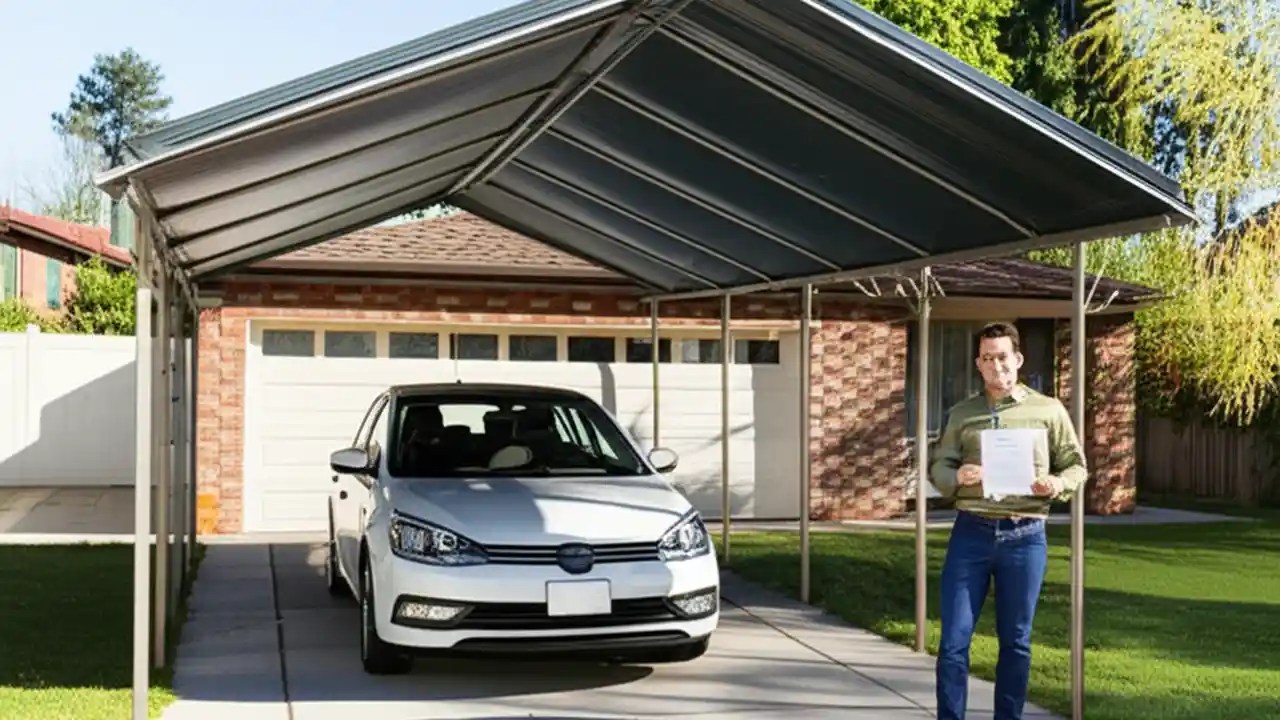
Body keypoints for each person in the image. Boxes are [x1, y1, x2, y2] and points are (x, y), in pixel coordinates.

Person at [929, 321, 1087, 720]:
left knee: (1016, 641)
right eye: (987, 358)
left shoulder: (1048, 411)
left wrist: (1056, 483)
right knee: (953, 641)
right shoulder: (962, 414)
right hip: (972, 534)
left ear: (1017, 359)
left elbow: (1076, 466)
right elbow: (939, 467)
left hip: (1025, 536)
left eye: (1002, 356)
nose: (995, 365)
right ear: (978, 364)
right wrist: (956, 477)